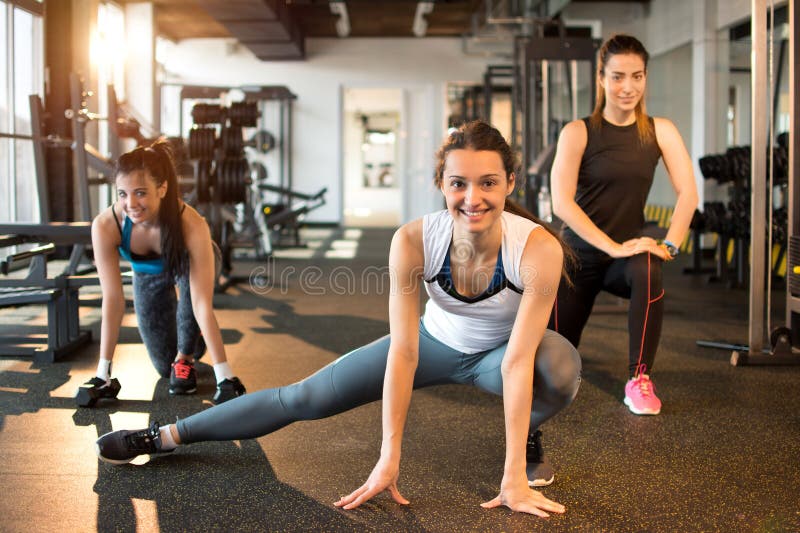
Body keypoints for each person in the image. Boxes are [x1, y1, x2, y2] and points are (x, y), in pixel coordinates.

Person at [94, 121, 581, 518]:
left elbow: (518, 362)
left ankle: (525, 437)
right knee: (304, 397)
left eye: (488, 183)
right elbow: (404, 352)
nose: (472, 198)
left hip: (500, 356)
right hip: (434, 341)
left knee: (559, 366)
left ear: (510, 183)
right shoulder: (414, 240)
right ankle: (163, 437)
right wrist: (389, 457)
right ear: (441, 184)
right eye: (458, 183)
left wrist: (512, 475)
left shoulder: (536, 248)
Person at [548, 34, 698, 415]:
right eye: (617, 76)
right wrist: (611, 245)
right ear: (601, 78)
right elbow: (562, 203)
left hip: (625, 259)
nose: (627, 87)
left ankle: (639, 379)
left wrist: (670, 246)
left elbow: (689, 194)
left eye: (636, 76)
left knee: (649, 266)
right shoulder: (578, 132)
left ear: (645, 77)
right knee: (551, 370)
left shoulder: (659, 130)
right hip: (578, 258)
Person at [80, 141, 247, 405]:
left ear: (162, 188)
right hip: (147, 275)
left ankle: (186, 356)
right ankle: (193, 338)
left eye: (140, 193)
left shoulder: (190, 223)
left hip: (189, 263)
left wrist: (224, 375)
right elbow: (112, 299)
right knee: (162, 364)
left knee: (188, 323)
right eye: (122, 194)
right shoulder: (105, 225)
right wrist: (103, 373)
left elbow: (202, 302)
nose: (131, 203)